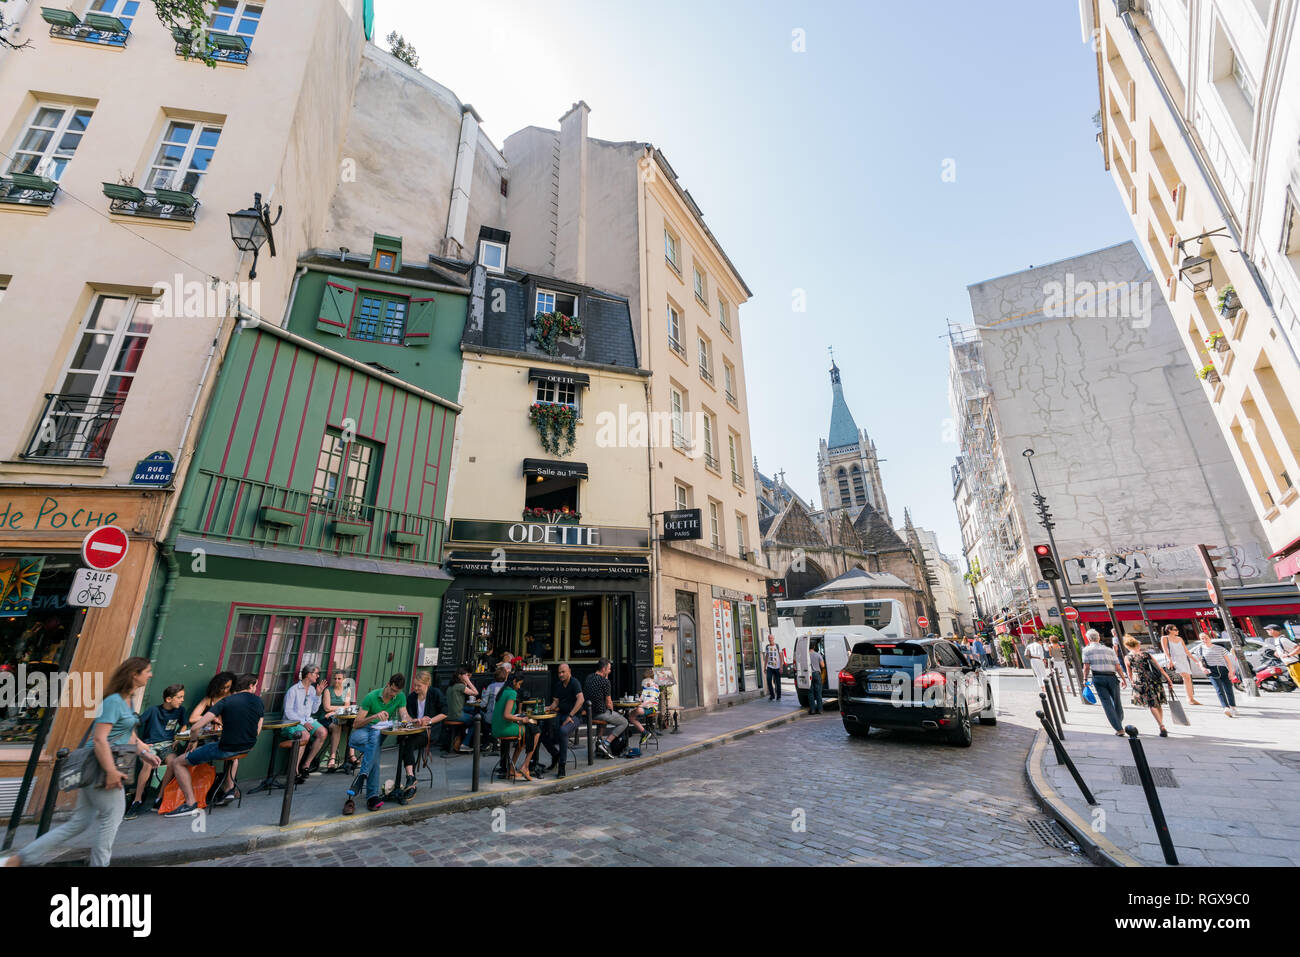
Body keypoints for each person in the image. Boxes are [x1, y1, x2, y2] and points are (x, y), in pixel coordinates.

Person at [3, 658, 162, 867]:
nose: (150, 675)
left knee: (79, 823)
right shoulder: (113, 701)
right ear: (134, 674)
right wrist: (111, 771)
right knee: (111, 819)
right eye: (147, 671)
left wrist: (144, 752)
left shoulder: (128, 700)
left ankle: (17, 860)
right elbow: (99, 738)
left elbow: (128, 734)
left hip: (110, 763)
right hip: (101, 766)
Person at [164, 673, 264, 815]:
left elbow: (195, 727)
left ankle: (190, 803)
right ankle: (228, 789)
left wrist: (193, 741)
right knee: (228, 754)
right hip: (246, 748)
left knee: (178, 763)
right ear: (251, 686)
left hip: (226, 748)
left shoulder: (226, 702)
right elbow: (257, 730)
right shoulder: (258, 701)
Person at [342, 674, 410, 815]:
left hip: (379, 733)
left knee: (376, 740)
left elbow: (404, 714)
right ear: (387, 684)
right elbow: (356, 724)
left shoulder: (400, 697)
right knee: (375, 746)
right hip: (361, 734)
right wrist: (374, 716)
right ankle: (371, 796)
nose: (393, 694)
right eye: (392, 690)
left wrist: (409, 719)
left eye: (397, 692)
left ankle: (363, 779)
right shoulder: (371, 697)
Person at [125, 683, 186, 820]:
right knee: (147, 764)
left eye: (183, 697)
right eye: (179, 697)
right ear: (168, 699)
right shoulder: (153, 710)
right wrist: (141, 743)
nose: (182, 700)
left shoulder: (180, 710)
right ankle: (137, 800)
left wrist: (178, 738)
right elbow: (134, 724)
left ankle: (160, 797)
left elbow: (184, 725)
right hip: (150, 744)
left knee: (173, 762)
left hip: (167, 745)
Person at [399, 670, 445, 802]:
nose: (416, 688)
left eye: (419, 686)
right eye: (415, 685)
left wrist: (429, 721)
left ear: (427, 684)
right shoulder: (412, 697)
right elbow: (408, 715)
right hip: (415, 729)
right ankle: (411, 777)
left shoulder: (435, 693)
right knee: (402, 740)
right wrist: (415, 720)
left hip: (430, 731)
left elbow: (444, 713)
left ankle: (410, 778)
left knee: (408, 743)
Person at [283, 664, 328, 783]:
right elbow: (288, 712)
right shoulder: (293, 690)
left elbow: (314, 711)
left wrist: (318, 695)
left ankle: (306, 765)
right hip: (292, 722)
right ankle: (294, 771)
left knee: (322, 732)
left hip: (307, 720)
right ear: (308, 674)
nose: (318, 676)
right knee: (305, 736)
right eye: (316, 673)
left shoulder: (313, 689)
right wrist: (303, 723)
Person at [1123, 635, 1175, 737]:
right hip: (1154, 680)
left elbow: (1129, 673)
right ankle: (1161, 724)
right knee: (1158, 703)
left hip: (1141, 682)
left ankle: (1161, 725)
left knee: (1151, 704)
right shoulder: (1146, 655)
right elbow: (1159, 668)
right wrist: (1168, 680)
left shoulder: (1128, 658)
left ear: (1128, 647)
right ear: (1137, 645)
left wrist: (1132, 683)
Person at [493, 669, 540, 781]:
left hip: (497, 727)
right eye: (519, 684)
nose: (519, 687)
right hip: (504, 728)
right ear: (514, 681)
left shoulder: (503, 691)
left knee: (525, 736)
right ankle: (525, 766)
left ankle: (511, 769)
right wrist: (522, 719)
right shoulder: (512, 693)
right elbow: (507, 715)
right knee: (536, 732)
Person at [540, 662, 584, 778]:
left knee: (563, 731)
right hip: (560, 714)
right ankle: (555, 754)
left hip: (574, 716)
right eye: (559, 672)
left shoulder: (574, 682)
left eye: (563, 672)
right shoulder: (558, 685)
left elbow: (581, 700)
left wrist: (570, 716)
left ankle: (562, 765)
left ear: (569, 672)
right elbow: (556, 702)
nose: (560, 674)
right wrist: (547, 708)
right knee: (541, 733)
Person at [1081, 628, 1127, 735]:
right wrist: (1123, 679)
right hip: (1112, 677)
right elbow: (1118, 666)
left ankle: (1119, 728)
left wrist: (1085, 679)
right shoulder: (1109, 650)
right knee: (1117, 701)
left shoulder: (1086, 650)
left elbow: (1086, 667)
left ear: (1088, 639)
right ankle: (1118, 722)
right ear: (1098, 638)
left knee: (1106, 703)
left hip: (1098, 678)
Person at [583, 658, 626, 759]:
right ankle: (606, 743)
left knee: (603, 721)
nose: (610, 671)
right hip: (600, 713)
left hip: (589, 713)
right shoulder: (605, 682)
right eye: (609, 669)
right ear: (603, 669)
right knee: (624, 722)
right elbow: (609, 702)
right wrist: (613, 710)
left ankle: (599, 743)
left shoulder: (589, 677)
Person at [1191, 631, 1239, 716]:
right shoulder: (1199, 649)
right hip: (1212, 671)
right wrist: (1202, 668)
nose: (1204, 640)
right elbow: (1199, 661)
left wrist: (1231, 672)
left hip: (1223, 670)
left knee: (1229, 689)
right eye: (1202, 638)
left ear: (1210, 638)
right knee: (1219, 690)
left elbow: (1228, 661)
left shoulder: (1220, 648)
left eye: (1206, 638)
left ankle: (1233, 707)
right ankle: (1226, 707)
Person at [1160, 624, 1203, 706]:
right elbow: (1165, 650)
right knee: (1186, 676)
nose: (1177, 631)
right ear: (1169, 630)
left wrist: (1196, 661)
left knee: (1188, 679)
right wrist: (1170, 660)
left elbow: (1186, 651)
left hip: (1184, 660)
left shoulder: (1180, 638)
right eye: (1175, 629)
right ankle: (1190, 699)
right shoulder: (1164, 638)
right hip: (1175, 660)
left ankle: (1191, 698)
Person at [321, 670, 354, 771]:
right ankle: (332, 757)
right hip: (327, 718)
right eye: (335, 678)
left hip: (339, 716)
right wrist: (338, 709)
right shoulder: (328, 690)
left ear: (344, 680)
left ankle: (351, 756)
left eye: (339, 679)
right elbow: (326, 708)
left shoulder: (347, 690)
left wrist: (333, 711)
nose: (336, 681)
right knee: (337, 726)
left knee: (353, 725)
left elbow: (347, 706)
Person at [444, 666, 480, 753]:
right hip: (457, 715)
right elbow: (476, 693)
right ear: (461, 676)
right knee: (476, 721)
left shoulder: (450, 686)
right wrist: (467, 681)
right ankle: (465, 744)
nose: (468, 677)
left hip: (448, 715)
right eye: (466, 676)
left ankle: (461, 737)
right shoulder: (460, 686)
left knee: (471, 710)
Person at [1266, 624, 1300, 689]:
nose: (1267, 631)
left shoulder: (1282, 640)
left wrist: (1288, 655)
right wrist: (1277, 652)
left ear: (1273, 630)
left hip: (1294, 665)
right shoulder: (1277, 640)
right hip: (1290, 665)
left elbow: (1298, 648)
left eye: (1269, 630)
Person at [807, 643, 825, 714]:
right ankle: (820, 710)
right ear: (814, 647)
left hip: (808, 675)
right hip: (817, 674)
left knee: (810, 693)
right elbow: (822, 665)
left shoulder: (806, 655)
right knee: (818, 692)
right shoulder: (818, 655)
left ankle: (813, 710)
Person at [764, 633, 782, 701]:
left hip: (777, 667)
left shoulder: (777, 646)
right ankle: (772, 695)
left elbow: (781, 656)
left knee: (777, 682)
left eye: (771, 638)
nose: (770, 639)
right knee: (768, 680)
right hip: (769, 667)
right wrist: (764, 667)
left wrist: (781, 667)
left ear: (773, 639)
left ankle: (779, 696)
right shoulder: (767, 647)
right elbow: (766, 657)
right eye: (769, 638)